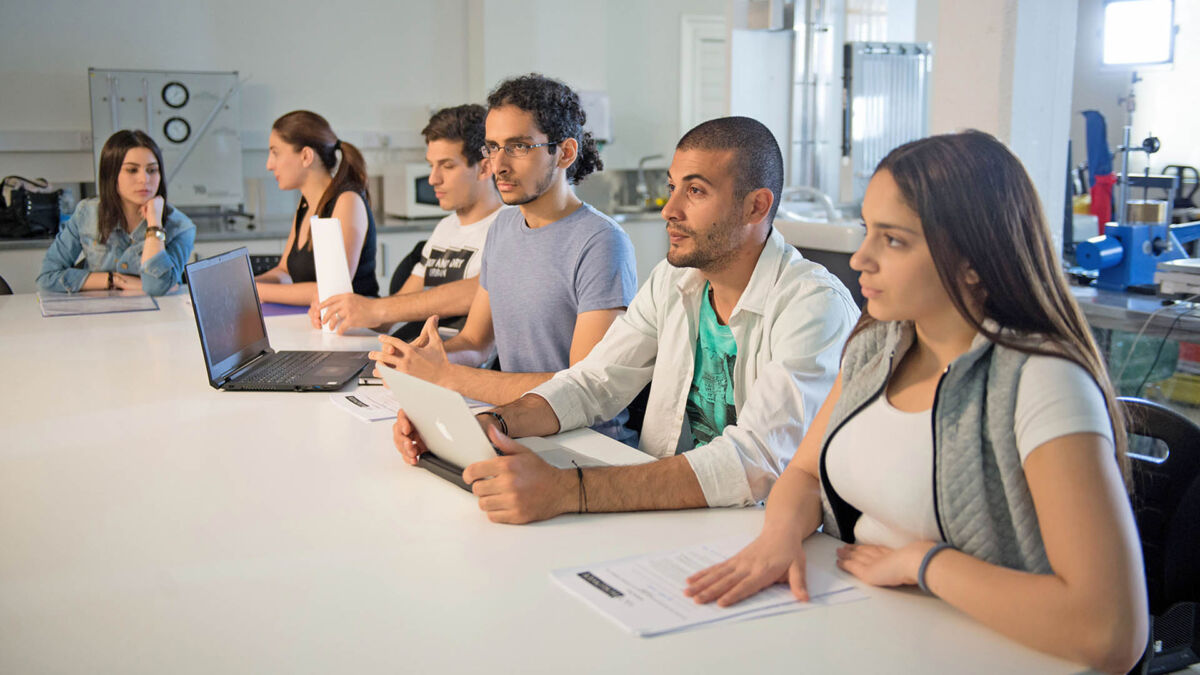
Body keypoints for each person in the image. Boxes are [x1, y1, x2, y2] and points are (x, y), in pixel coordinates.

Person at [683, 131, 1147, 674]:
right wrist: (778, 541)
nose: (861, 258)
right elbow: (804, 475)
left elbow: (1110, 631)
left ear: (973, 261)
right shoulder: (879, 344)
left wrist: (923, 563)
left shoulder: (1040, 382)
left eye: (894, 240)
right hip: (869, 635)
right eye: (867, 232)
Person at [392, 116, 859, 525]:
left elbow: (752, 465)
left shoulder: (813, 306)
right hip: (662, 511)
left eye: (695, 191)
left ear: (756, 206)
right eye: (672, 187)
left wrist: (568, 490)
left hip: (759, 532)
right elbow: (593, 381)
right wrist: (490, 424)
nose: (670, 210)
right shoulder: (672, 283)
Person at [372, 74, 638, 439]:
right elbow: (475, 342)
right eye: (493, 147)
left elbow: (582, 386)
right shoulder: (503, 227)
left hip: (584, 441)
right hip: (515, 425)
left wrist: (448, 376)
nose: (498, 165)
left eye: (519, 147)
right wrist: (425, 361)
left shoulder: (601, 242)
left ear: (565, 152)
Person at [312, 104, 504, 339]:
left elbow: (480, 290)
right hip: (417, 359)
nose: (433, 179)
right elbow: (392, 312)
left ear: (485, 168)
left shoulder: (508, 226)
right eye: (431, 166)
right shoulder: (446, 228)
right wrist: (342, 309)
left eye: (447, 166)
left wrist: (377, 309)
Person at [37, 130, 195, 296]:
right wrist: (115, 280)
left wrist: (155, 223)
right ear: (111, 175)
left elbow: (156, 287)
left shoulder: (181, 227)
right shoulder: (87, 213)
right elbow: (47, 278)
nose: (144, 179)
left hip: (155, 319)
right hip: (97, 316)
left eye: (152, 170)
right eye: (132, 170)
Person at [256, 110, 378, 305]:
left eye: (275, 153)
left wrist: (255, 291)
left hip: (358, 330)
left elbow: (330, 291)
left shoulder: (348, 201)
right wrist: (244, 285)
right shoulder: (305, 204)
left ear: (306, 156)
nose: (269, 164)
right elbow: (285, 272)